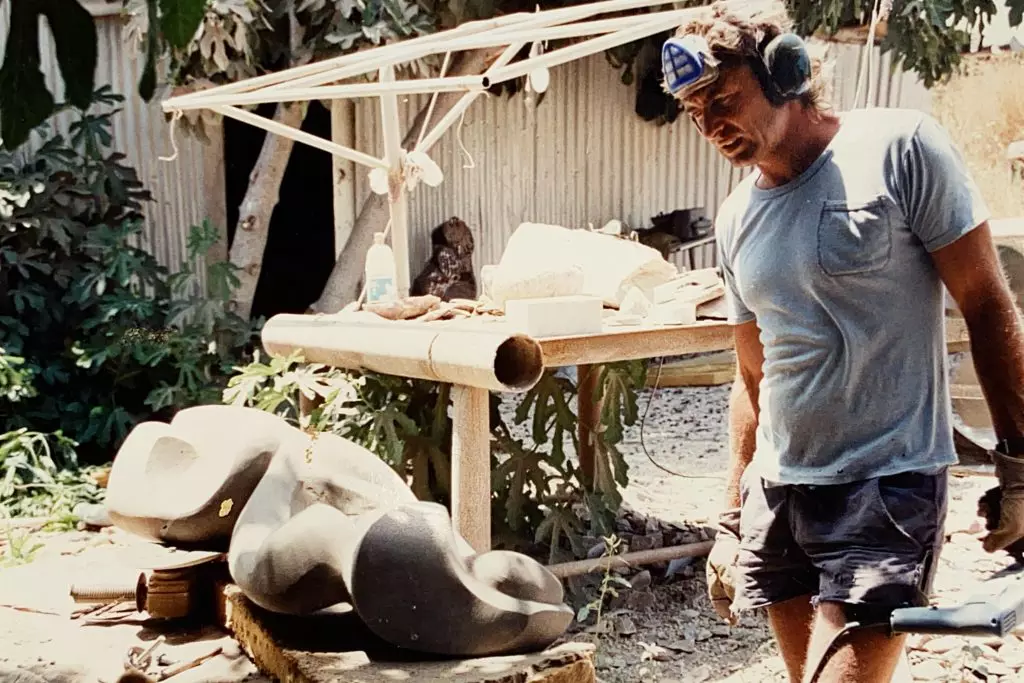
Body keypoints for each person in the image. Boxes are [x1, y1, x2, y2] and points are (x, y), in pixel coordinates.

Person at [662, 2, 1024, 682]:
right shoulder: (738, 217)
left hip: (884, 485)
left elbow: (986, 304)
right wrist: (731, 516)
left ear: (784, 71)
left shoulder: (901, 148)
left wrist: (1019, 465)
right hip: (781, 494)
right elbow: (752, 374)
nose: (711, 125)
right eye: (694, 111)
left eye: (722, 99)